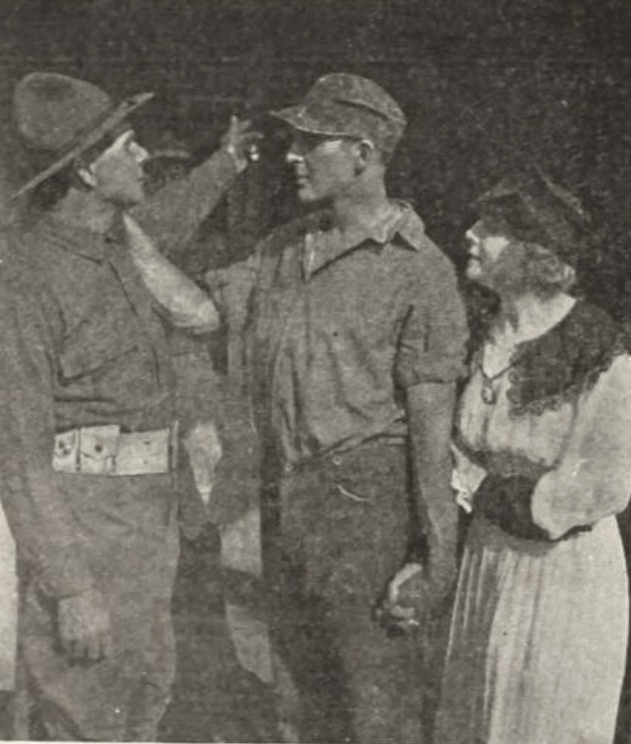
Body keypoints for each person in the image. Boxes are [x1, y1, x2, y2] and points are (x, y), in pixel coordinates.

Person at [0, 72, 257, 741]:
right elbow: (19, 456)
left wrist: (228, 161)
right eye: (127, 147)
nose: (142, 158)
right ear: (83, 169)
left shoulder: (121, 248)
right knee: (82, 709)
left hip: (150, 520)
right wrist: (71, 586)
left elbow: (175, 212)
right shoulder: (24, 285)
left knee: (141, 703)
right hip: (86, 526)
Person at [205, 73, 469, 743]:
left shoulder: (420, 271)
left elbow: (433, 438)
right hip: (288, 506)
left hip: (366, 513)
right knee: (298, 708)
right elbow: (200, 311)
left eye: (310, 143)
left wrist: (437, 561)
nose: (292, 157)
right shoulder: (285, 249)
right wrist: (120, 235)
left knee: (376, 714)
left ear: (362, 153)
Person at [434, 169, 631, 744]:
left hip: (562, 576)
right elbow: (454, 443)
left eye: (493, 227)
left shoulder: (597, 353)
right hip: (487, 561)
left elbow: (601, 485)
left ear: (536, 251)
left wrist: (479, 489)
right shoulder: (480, 336)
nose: (472, 234)